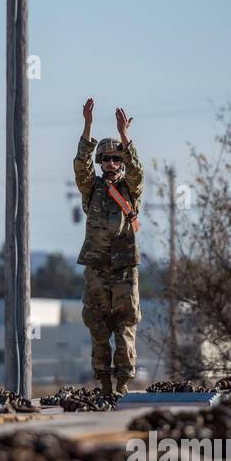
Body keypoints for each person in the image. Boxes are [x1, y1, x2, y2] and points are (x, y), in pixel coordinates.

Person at [73, 101, 144, 396]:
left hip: (124, 268)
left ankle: (123, 383)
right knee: (98, 325)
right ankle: (103, 383)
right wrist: (88, 126)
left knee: (125, 325)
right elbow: (81, 167)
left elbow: (138, 171)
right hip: (97, 267)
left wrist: (124, 135)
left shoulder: (130, 188)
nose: (111, 164)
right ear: (101, 162)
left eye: (116, 159)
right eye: (106, 159)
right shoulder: (93, 189)